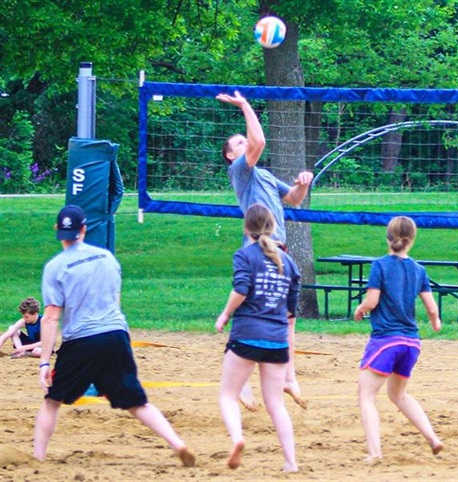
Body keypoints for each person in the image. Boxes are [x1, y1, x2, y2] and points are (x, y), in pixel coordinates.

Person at [34, 205, 194, 466]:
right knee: (136, 402)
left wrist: (43, 362)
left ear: (57, 231)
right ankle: (177, 443)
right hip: (116, 334)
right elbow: (116, 301)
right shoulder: (107, 258)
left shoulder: (55, 267)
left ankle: (37, 459)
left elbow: (51, 317)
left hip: (82, 340)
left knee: (52, 401)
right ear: (84, 229)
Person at [217, 90, 310, 411]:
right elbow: (259, 143)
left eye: (244, 140)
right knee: (249, 312)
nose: (245, 143)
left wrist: (302, 183)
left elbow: (294, 199)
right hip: (257, 249)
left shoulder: (266, 176)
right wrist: (244, 105)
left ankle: (287, 377)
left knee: (287, 317)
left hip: (279, 250)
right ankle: (239, 384)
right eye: (238, 143)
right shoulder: (240, 172)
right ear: (232, 156)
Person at [214, 203, 301, 472]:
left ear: (246, 228)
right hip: (277, 341)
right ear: (274, 226)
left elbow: (241, 289)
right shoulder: (289, 262)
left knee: (228, 395)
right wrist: (290, 366)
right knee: (276, 404)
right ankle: (290, 462)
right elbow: (290, 312)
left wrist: (225, 314)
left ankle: (238, 438)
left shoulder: (245, 256)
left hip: (248, 334)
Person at [352, 216, 445, 462]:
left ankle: (374, 452)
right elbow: (432, 309)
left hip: (386, 341)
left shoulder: (380, 265)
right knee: (398, 395)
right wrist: (436, 323)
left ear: (388, 237)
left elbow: (372, 302)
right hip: (411, 343)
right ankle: (433, 439)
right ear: (412, 240)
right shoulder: (419, 269)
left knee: (366, 396)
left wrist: (360, 310)